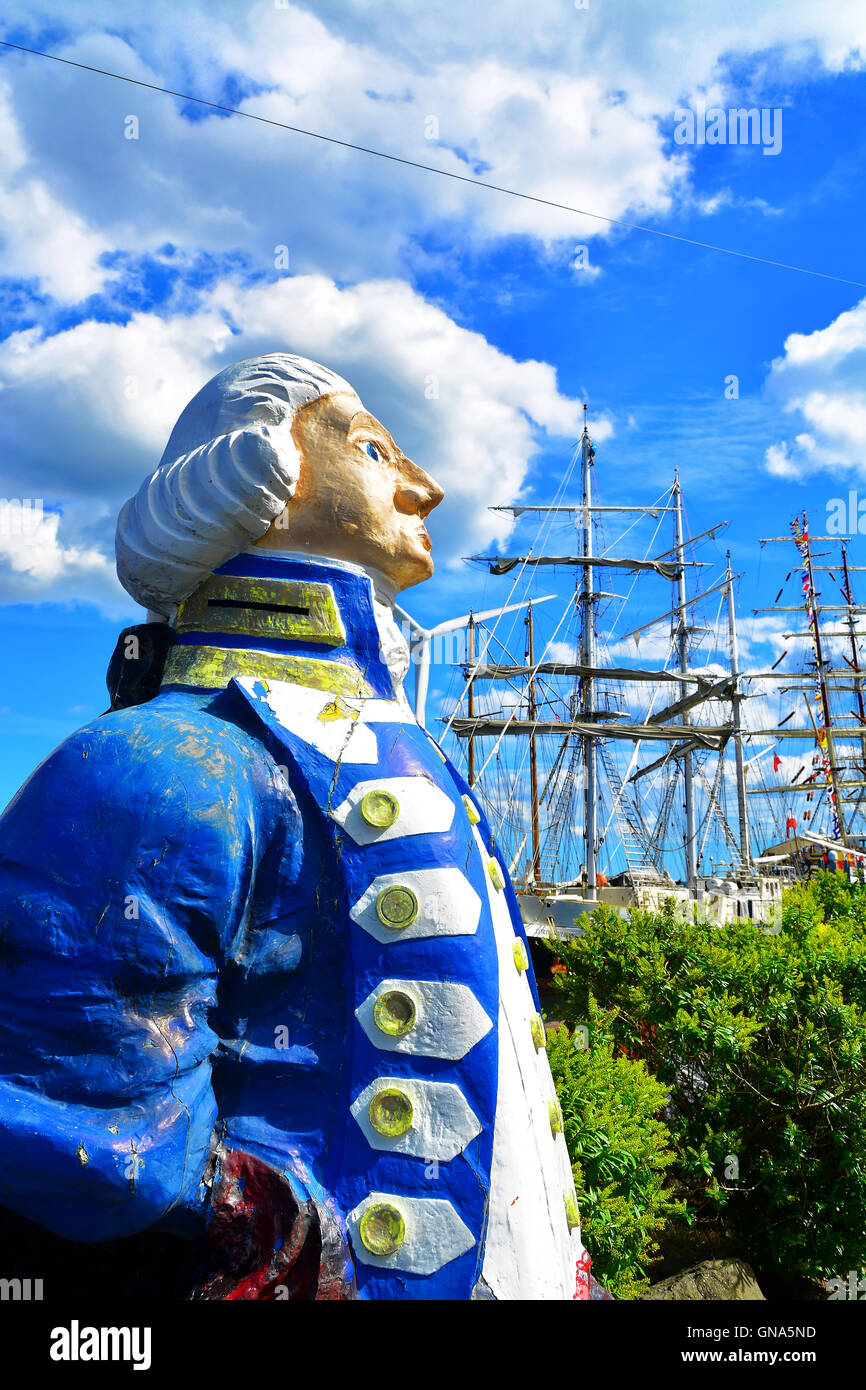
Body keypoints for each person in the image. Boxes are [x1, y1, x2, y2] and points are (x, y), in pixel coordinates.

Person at [0, 353, 593, 1300]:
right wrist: (283, 1248)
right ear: (265, 481)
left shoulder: (393, 748)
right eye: (374, 451)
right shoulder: (153, 760)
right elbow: (75, 1142)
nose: (427, 487)